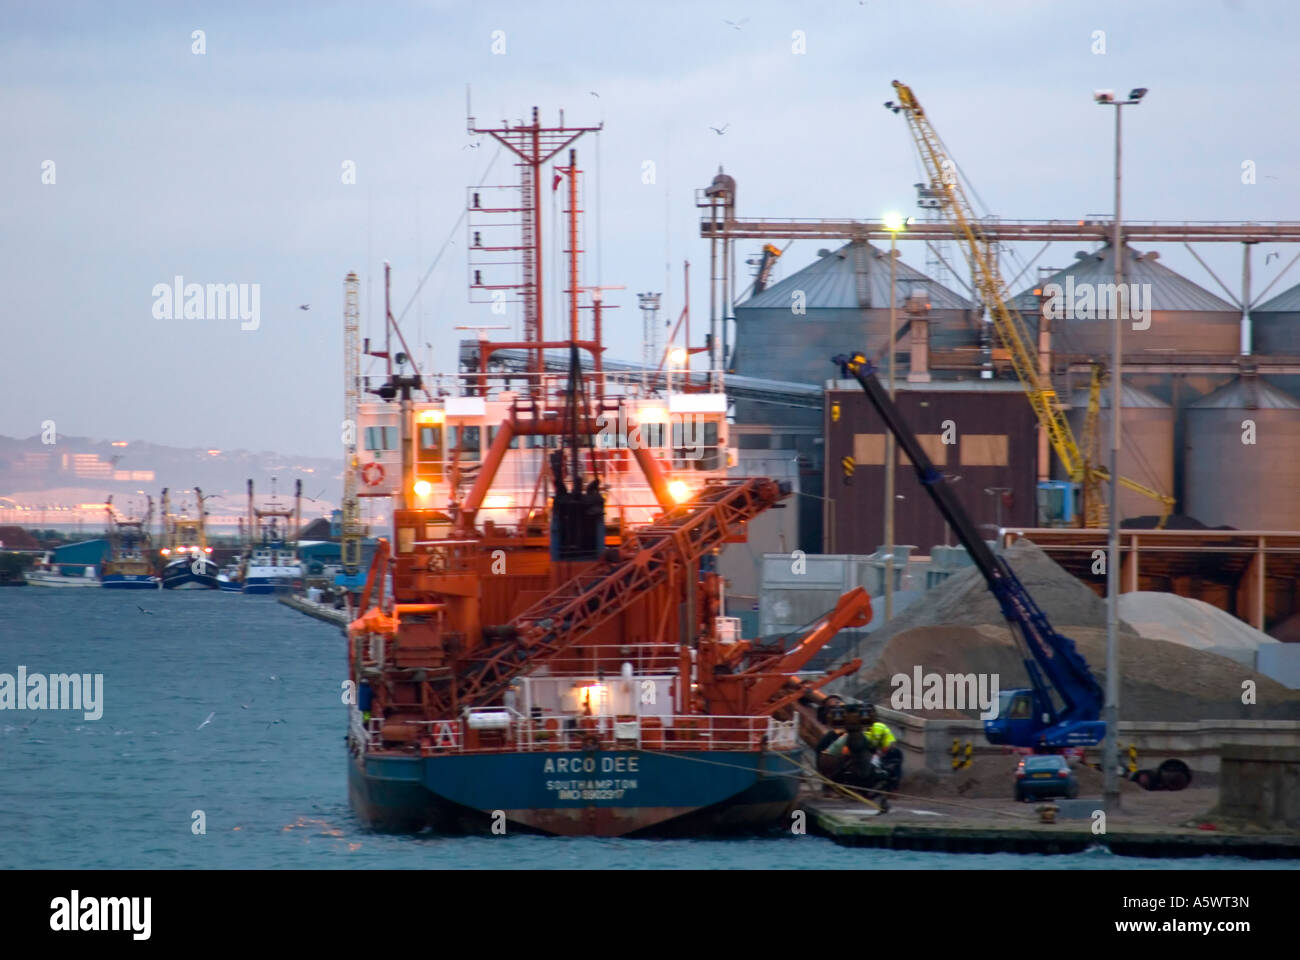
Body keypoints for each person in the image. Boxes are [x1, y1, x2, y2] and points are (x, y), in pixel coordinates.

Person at [863, 704, 904, 792]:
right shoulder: (869, 729)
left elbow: (874, 742)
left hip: (890, 751)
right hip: (886, 751)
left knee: (890, 771)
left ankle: (892, 790)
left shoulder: (876, 726)